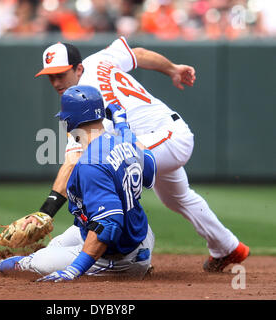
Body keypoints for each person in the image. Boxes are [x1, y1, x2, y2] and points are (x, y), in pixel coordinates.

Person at [28, 36, 249, 273]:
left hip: (167, 135)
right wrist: (172, 69)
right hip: (156, 139)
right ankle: (227, 247)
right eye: (51, 76)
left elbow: (73, 162)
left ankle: (128, 255)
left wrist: (45, 212)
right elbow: (139, 53)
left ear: (78, 68)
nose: (56, 82)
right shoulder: (99, 59)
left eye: (61, 74)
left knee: (112, 170)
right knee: (177, 197)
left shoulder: (87, 101)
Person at [0, 85, 157, 280]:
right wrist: (122, 126)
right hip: (140, 236)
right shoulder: (122, 141)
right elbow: (149, 166)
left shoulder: (90, 164)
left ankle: (25, 263)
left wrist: (74, 270)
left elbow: (108, 224)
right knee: (55, 245)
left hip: (118, 257)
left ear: (69, 121)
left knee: (22, 265)